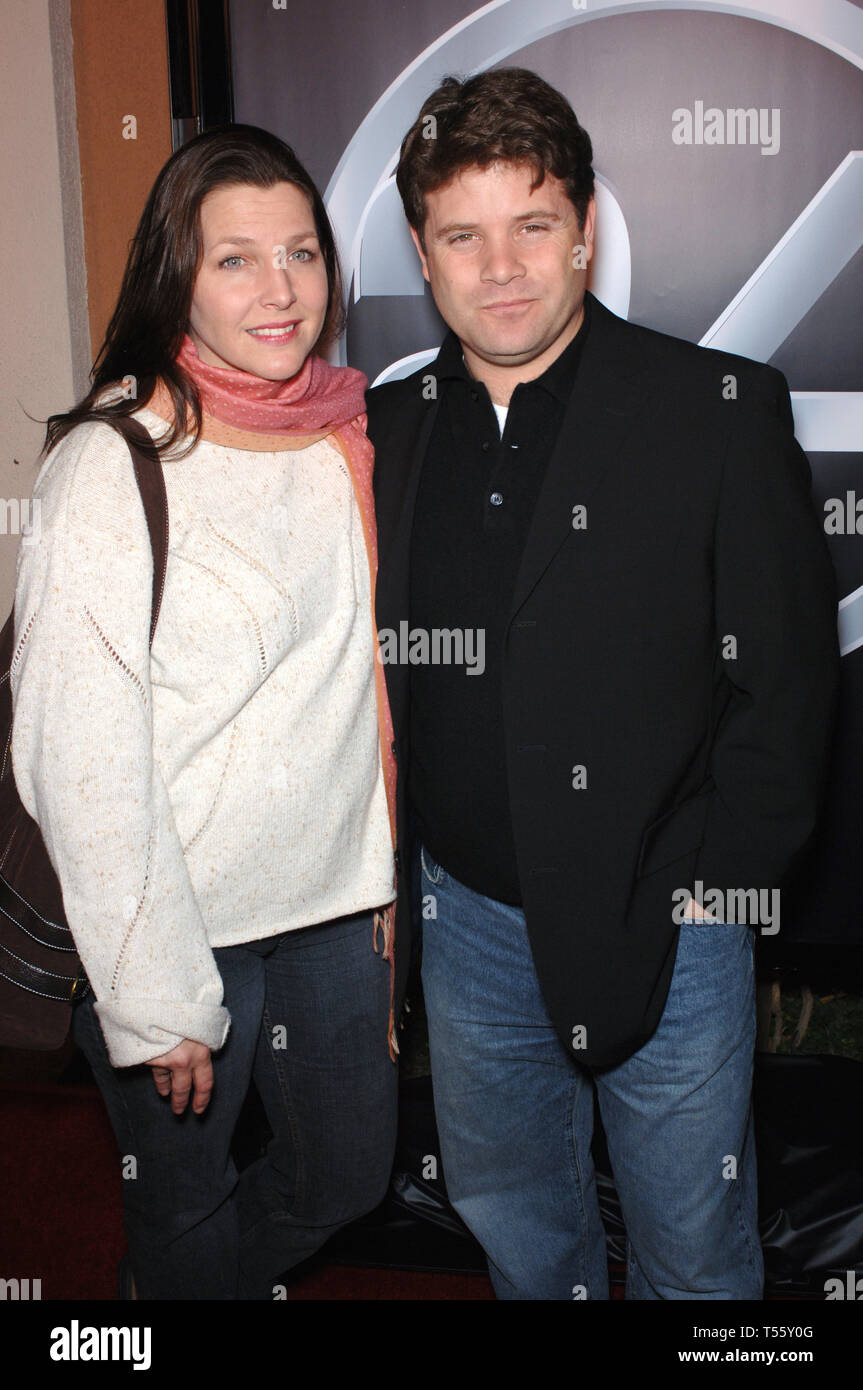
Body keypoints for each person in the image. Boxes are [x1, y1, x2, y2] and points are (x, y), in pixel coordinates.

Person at [367, 68, 839, 1300]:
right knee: (523, 1237)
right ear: (424, 254)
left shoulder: (716, 412)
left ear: (585, 226)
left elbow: (783, 693)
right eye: (463, 235)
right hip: (464, 928)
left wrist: (715, 894)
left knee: (695, 1253)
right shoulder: (387, 430)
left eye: (532, 223)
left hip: (669, 922)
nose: (502, 265)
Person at [10, 124, 400, 1300]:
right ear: (175, 273)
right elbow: (77, 751)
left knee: (345, 1178)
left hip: (334, 911)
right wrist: (153, 993)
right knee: (182, 1212)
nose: (278, 290)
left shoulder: (339, 431)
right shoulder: (113, 462)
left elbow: (354, 682)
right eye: (234, 259)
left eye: (300, 253)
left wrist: (380, 875)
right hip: (185, 930)